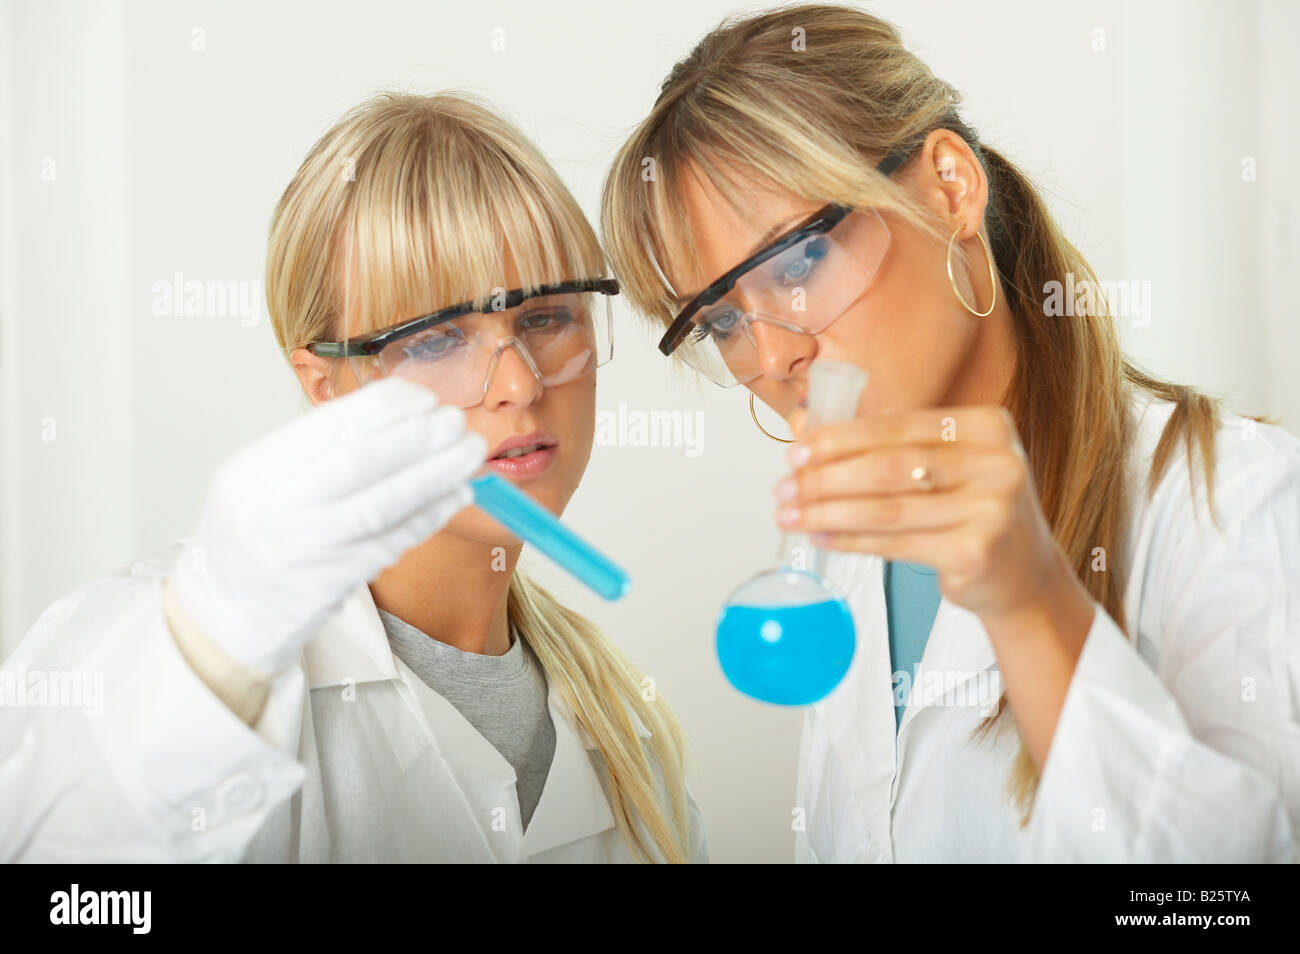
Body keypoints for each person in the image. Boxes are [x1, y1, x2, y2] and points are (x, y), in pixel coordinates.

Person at [599, 3, 1299, 862]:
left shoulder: (1236, 505)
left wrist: (1034, 603)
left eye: (799, 261)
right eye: (721, 323)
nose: (774, 354)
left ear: (949, 187)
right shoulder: (845, 560)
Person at [0, 91, 706, 863]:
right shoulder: (161, 649)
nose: (519, 386)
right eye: (437, 339)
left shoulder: (628, 729)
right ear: (325, 386)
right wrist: (212, 652)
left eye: (544, 318)